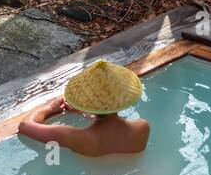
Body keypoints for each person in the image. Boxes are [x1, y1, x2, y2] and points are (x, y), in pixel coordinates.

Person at [17, 59, 149, 157]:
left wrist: (49, 108)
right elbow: (108, 127)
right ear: (122, 98)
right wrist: (85, 113)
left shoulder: (76, 137)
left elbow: (24, 126)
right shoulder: (142, 128)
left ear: (84, 102)